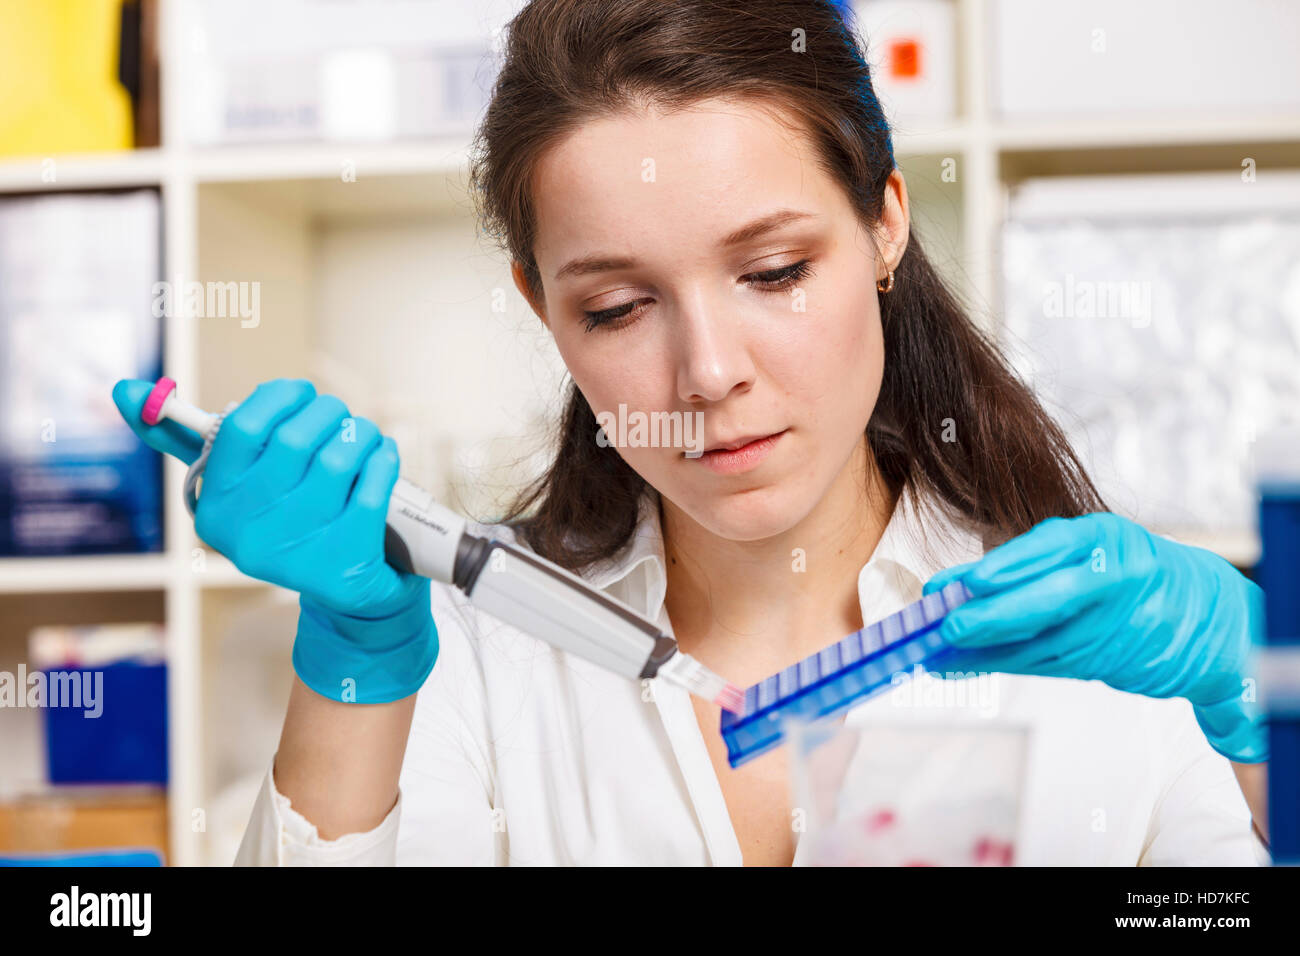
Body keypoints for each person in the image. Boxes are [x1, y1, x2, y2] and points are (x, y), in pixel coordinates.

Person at [115, 0, 1269, 866]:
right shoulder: (465, 654)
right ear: (544, 310)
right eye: (616, 306)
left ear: (884, 225)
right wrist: (355, 670)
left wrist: (1267, 708)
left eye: (773, 270)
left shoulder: (1110, 640)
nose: (709, 371)